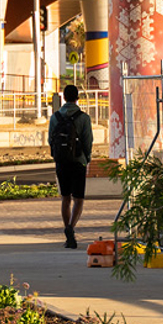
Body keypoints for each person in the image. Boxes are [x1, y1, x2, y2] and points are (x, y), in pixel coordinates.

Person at [48, 84, 93, 248]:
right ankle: (70, 228)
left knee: (65, 198)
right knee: (78, 199)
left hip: (61, 162)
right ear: (77, 98)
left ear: (64, 98)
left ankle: (68, 235)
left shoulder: (55, 117)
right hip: (77, 162)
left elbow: (50, 140)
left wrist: (57, 156)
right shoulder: (83, 118)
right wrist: (86, 158)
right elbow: (88, 141)